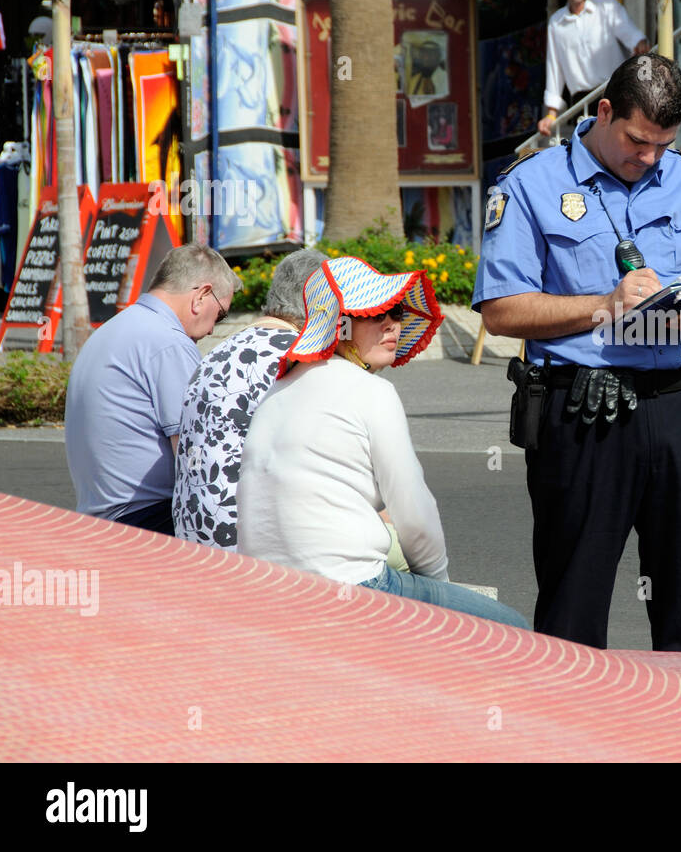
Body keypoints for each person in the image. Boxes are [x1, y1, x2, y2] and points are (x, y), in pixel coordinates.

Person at [474, 53, 681, 651]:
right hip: (585, 413)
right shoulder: (531, 184)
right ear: (603, 112)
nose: (649, 157)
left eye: (663, 144)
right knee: (573, 612)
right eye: (636, 140)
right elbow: (502, 310)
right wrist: (604, 303)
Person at [237, 257, 528, 629]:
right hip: (347, 586)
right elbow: (415, 515)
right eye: (377, 314)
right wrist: (439, 588)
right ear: (340, 327)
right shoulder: (372, 391)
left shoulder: (278, 390)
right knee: (513, 628)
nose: (393, 325)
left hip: (266, 587)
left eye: (397, 313)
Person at [65, 244, 239, 534]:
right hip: (145, 519)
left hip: (99, 517)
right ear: (201, 296)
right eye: (220, 315)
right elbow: (196, 452)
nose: (211, 330)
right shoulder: (169, 342)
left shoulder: (113, 329)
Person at [173, 247, 326, 551]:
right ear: (321, 307)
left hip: (191, 535)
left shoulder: (219, 352)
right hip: (245, 545)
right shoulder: (298, 359)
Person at [537, 0, 649, 138]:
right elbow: (554, 70)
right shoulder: (556, 23)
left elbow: (632, 36)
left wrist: (639, 43)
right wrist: (551, 114)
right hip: (582, 104)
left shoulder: (607, 8)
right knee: (589, 157)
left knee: (618, 147)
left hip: (615, 93)